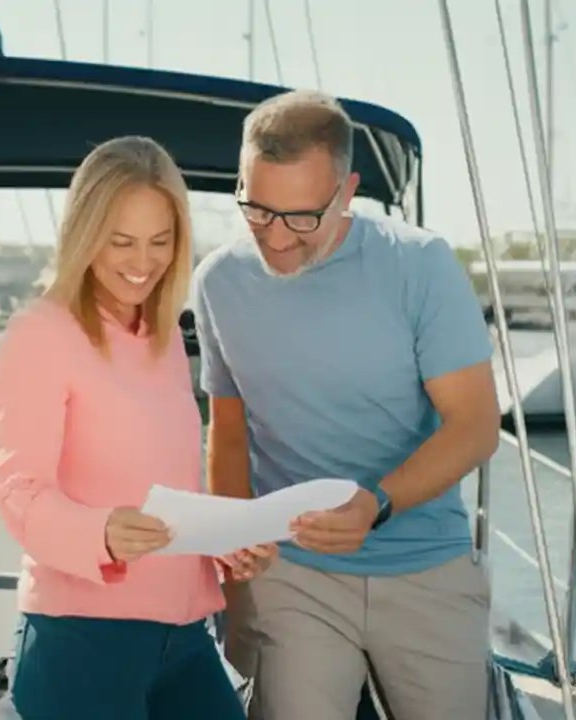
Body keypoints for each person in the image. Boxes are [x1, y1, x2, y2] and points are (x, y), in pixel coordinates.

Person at [192, 90, 502, 720]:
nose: (276, 238)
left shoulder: (420, 265)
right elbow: (227, 433)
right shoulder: (218, 281)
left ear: (348, 190)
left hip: (426, 568)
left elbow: (475, 425)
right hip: (292, 575)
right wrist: (234, 552)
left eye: (301, 216)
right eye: (257, 209)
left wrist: (376, 502)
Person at [0, 135, 275, 720]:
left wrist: (222, 542)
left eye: (160, 242)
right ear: (84, 234)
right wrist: (102, 533)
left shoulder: (163, 340)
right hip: (81, 639)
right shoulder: (40, 334)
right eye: (121, 242)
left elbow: (164, 486)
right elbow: (19, 494)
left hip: (185, 633)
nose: (142, 263)